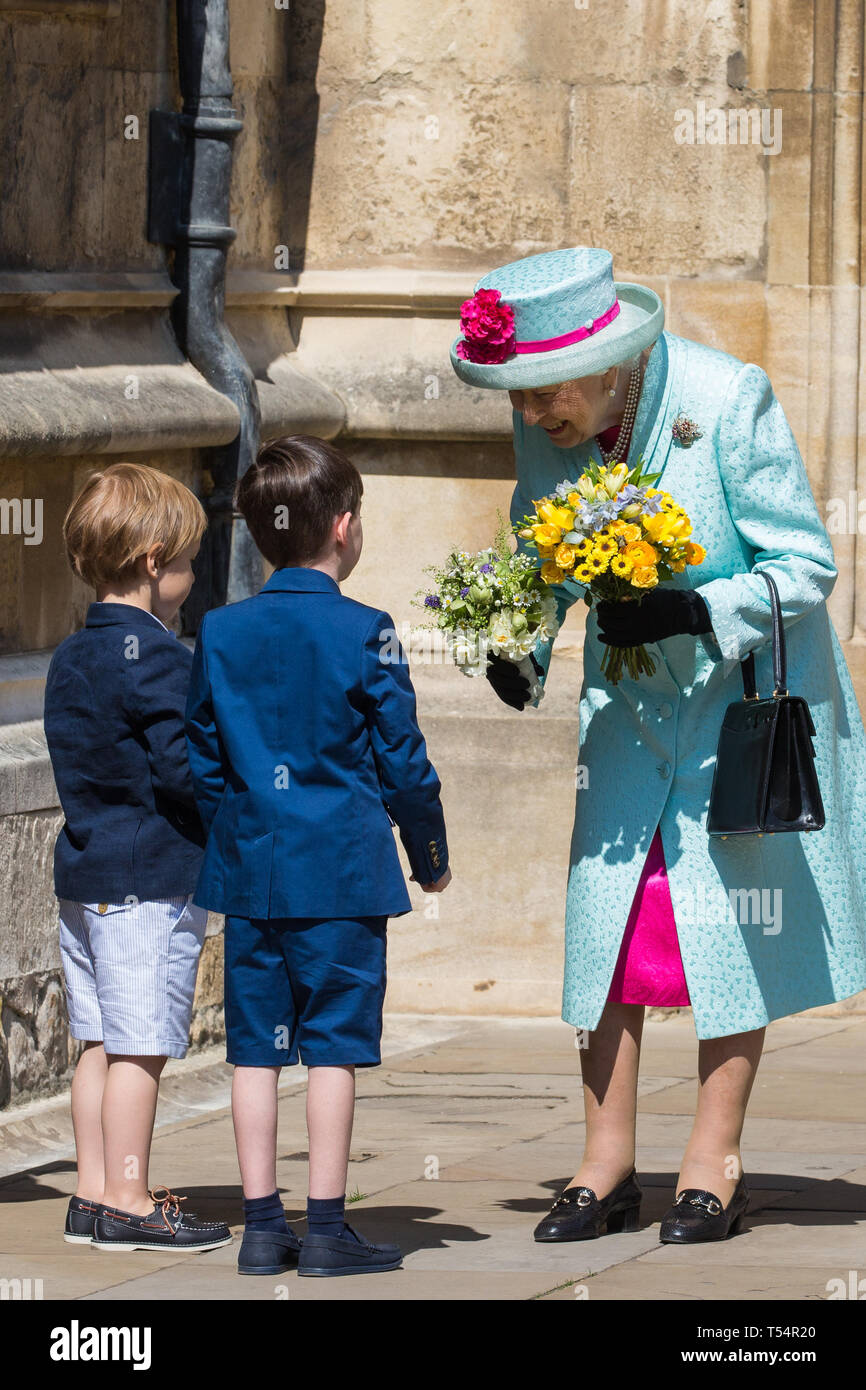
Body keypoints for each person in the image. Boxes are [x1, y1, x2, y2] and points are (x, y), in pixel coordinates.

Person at [449, 245, 866, 1243]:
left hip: (734, 705)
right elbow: (541, 553)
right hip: (623, 717)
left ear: (606, 364)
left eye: (538, 394)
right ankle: (603, 1166)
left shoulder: (726, 400)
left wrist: (690, 607)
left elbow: (803, 564)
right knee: (610, 929)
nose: (526, 417)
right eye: (511, 397)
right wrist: (519, 642)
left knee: (726, 927)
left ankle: (710, 1165)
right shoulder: (553, 425)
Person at [185, 435, 451, 1277]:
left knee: (256, 1047)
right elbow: (403, 761)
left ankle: (264, 1228)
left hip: (254, 872)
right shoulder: (366, 630)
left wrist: (236, 826)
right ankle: (328, 1227)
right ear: (344, 527)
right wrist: (430, 852)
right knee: (334, 1045)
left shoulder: (221, 630)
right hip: (340, 875)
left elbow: (200, 754)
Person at [44, 462, 232, 1254]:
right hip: (147, 882)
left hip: (85, 874)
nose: (191, 576)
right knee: (141, 1046)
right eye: (189, 561)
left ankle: (92, 1191)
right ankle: (128, 1196)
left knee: (98, 1042)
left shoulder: (69, 655)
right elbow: (183, 771)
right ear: (156, 561)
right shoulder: (158, 658)